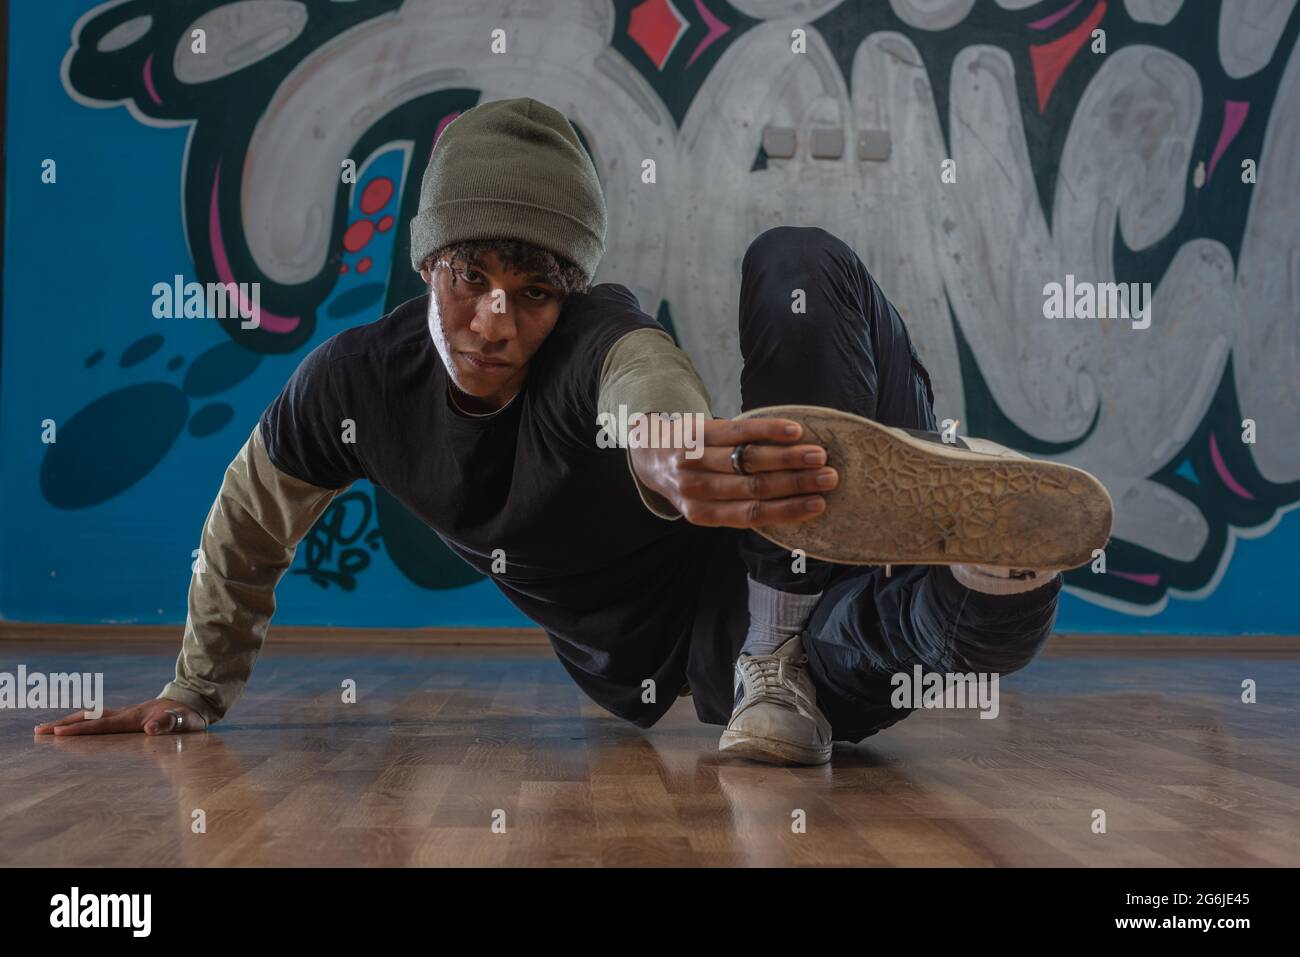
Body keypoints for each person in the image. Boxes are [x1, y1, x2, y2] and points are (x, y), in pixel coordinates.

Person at [36, 97, 1111, 765]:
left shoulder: (596, 339)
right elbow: (247, 521)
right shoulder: (355, 383)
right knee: (931, 628)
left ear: (570, 294)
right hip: (702, 662)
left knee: (796, 258)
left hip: (776, 530)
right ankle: (993, 565)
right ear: (427, 266)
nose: (496, 321)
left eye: (534, 291)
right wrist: (194, 686)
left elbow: (644, 380)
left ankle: (864, 561)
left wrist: (666, 448)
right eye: (470, 280)